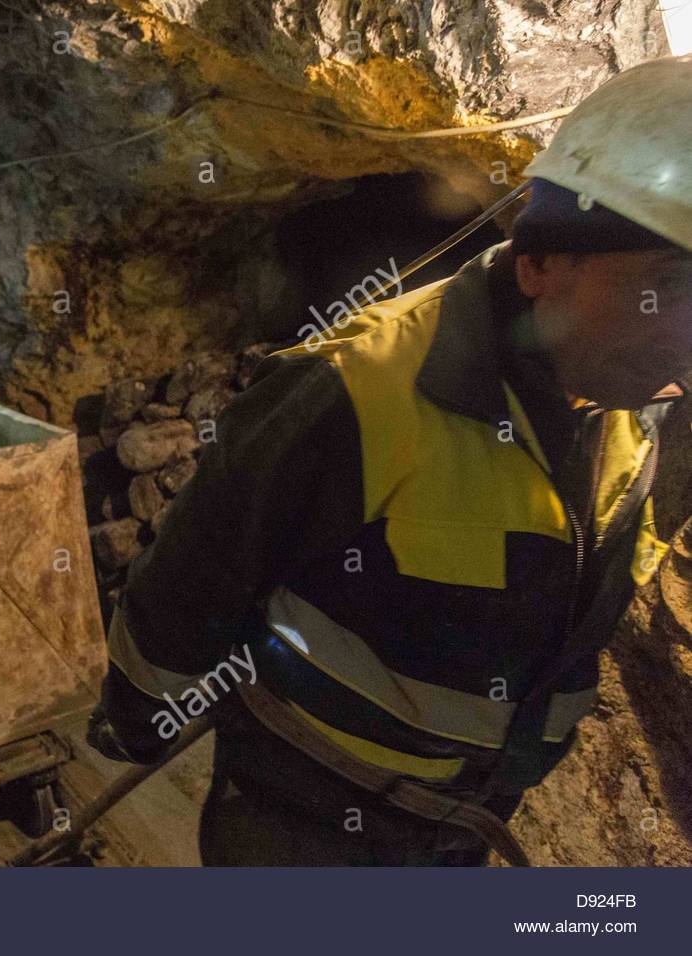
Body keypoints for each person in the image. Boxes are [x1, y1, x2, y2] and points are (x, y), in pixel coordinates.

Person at [88, 55, 692, 865]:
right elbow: (196, 577)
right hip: (300, 820)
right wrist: (137, 714)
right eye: (674, 289)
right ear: (542, 261)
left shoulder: (643, 417)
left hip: (462, 824)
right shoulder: (357, 390)